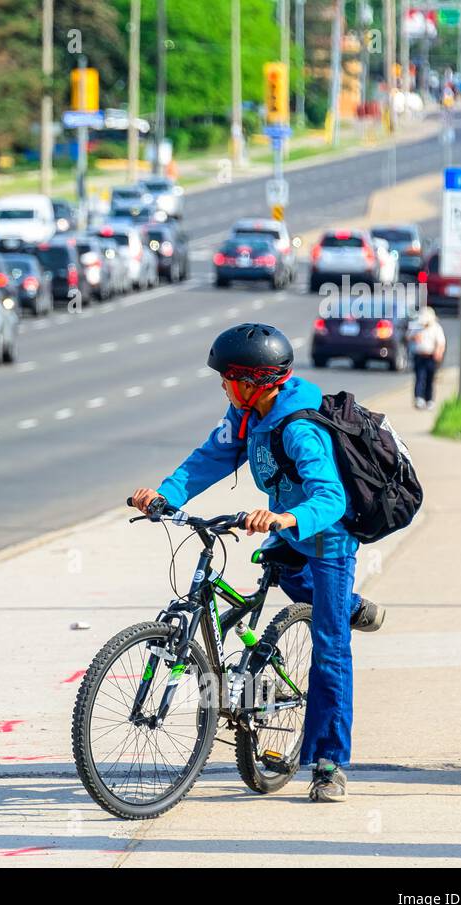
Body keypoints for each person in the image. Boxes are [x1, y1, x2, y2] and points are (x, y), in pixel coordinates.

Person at [130, 322, 386, 803]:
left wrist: (287, 516)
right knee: (281, 571)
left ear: (252, 381)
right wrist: (162, 496)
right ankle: (347, 606)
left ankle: (330, 764)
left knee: (330, 649)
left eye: (227, 378)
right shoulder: (244, 414)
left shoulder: (301, 429)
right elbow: (210, 456)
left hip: (326, 537)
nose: (223, 386)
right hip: (283, 530)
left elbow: (330, 498)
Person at [406, 305, 445, 409]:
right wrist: (414, 337)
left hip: (430, 357)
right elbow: (407, 336)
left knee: (430, 379)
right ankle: (419, 398)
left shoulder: (436, 328)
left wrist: (438, 353)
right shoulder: (416, 326)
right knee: (420, 377)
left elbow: (441, 343)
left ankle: (429, 399)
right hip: (419, 356)